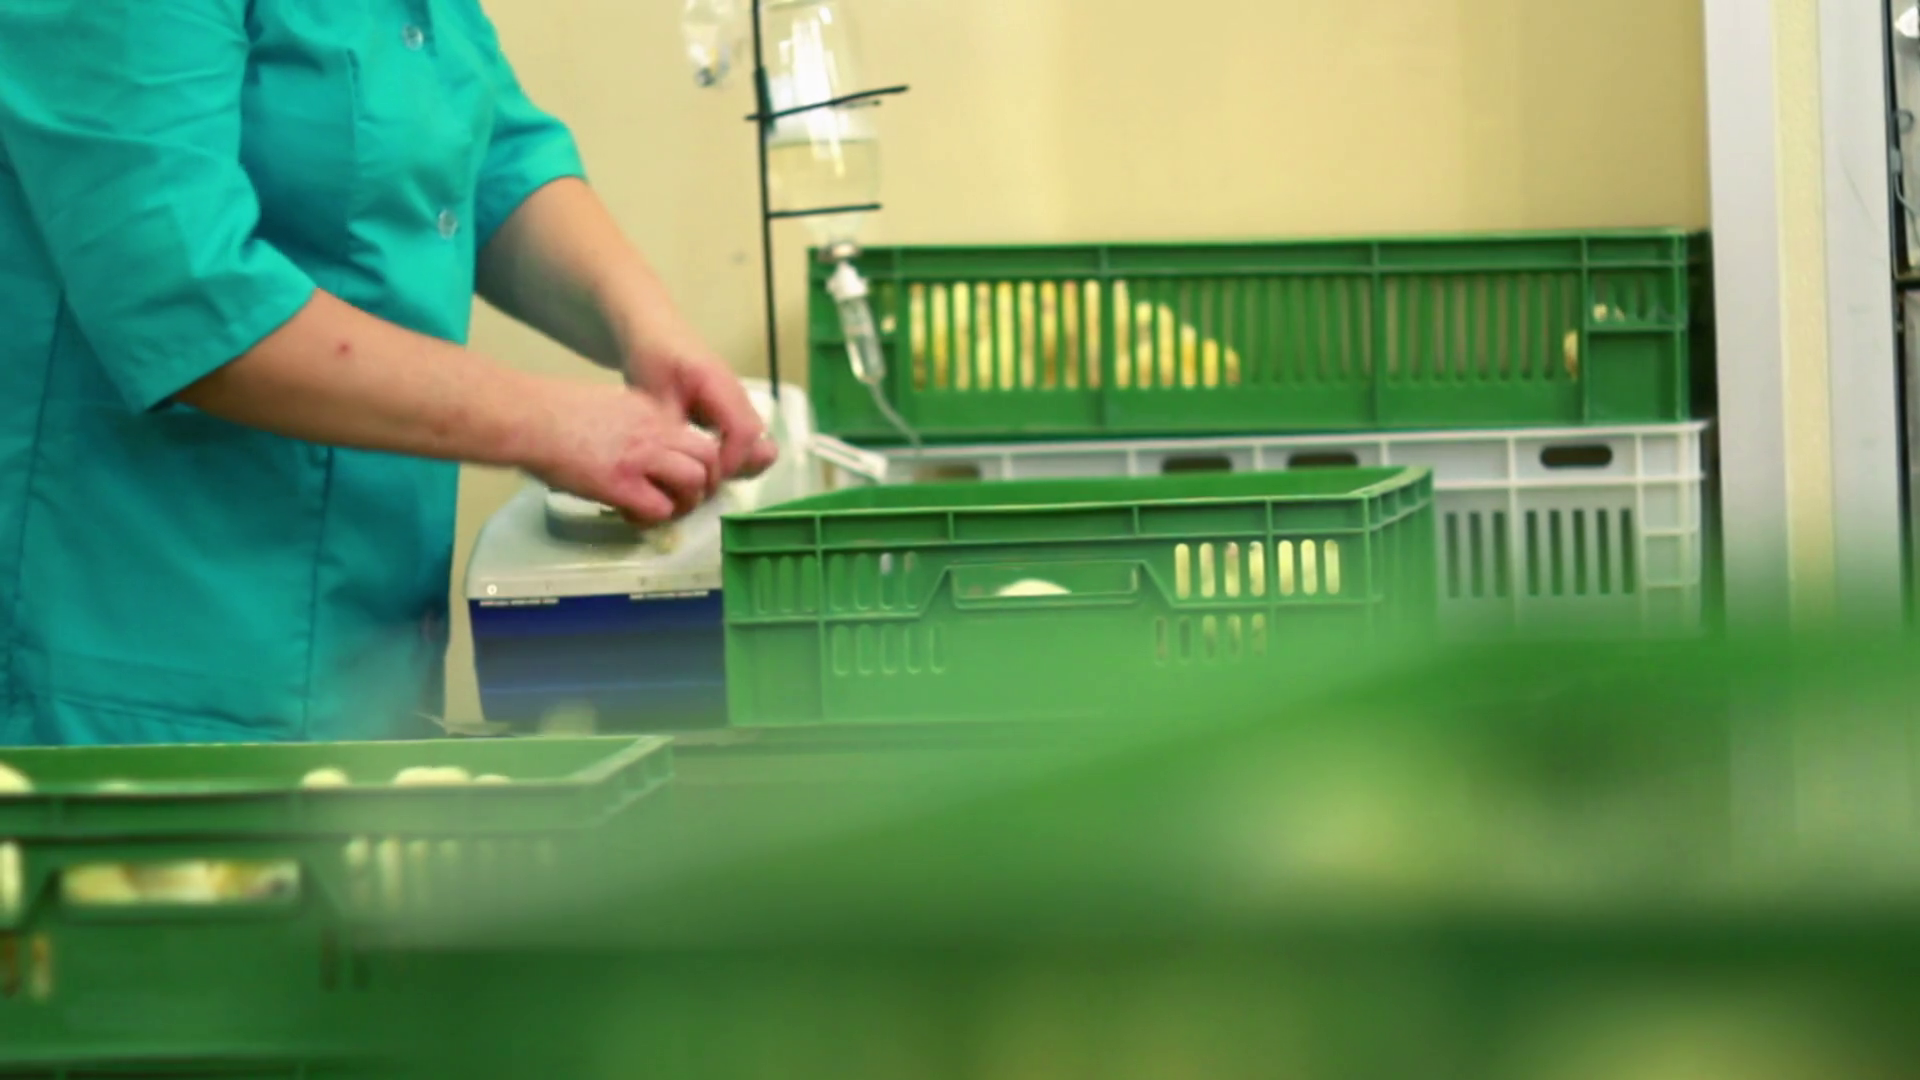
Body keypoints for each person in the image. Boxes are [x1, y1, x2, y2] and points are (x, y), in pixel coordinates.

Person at [0, 2, 777, 746]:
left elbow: (493, 152)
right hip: (142, 664)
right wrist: (551, 423)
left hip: (366, 661)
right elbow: (183, 287)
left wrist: (648, 327)